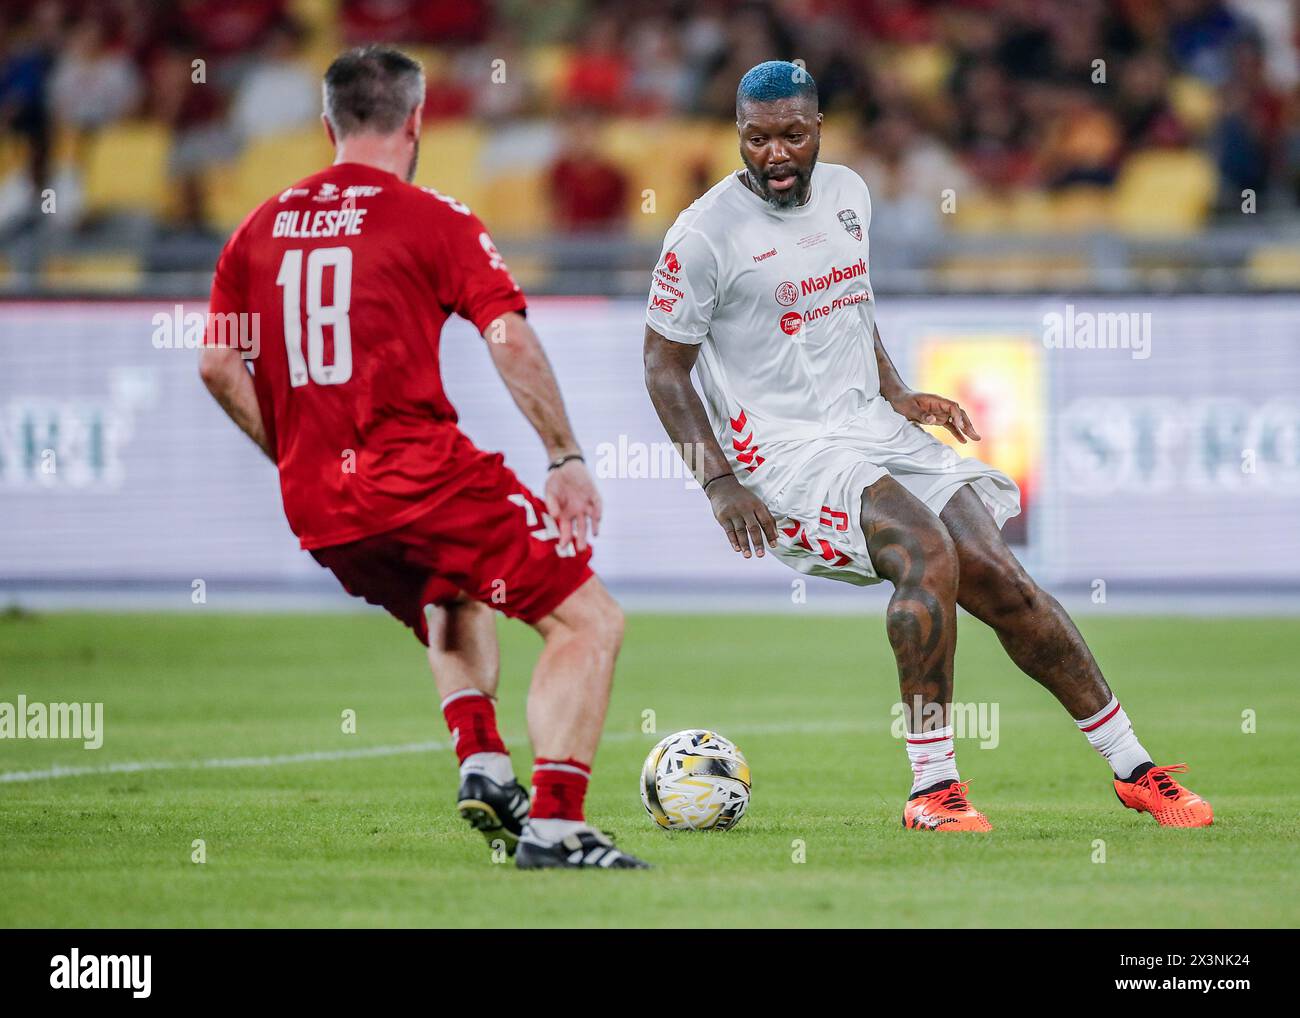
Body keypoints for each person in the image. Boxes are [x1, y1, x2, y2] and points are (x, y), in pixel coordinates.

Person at [643, 61, 1212, 832]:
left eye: (791, 135)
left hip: (869, 425)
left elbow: (850, 305)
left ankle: (1135, 768)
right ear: (737, 136)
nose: (774, 154)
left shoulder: (850, 195)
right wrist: (718, 483)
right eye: (756, 138)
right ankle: (932, 790)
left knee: (1004, 580)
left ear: (819, 131)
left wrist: (894, 392)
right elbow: (661, 365)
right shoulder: (703, 235)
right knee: (928, 553)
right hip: (787, 455)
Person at [200, 45, 648, 869]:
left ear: (327, 123)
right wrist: (564, 455)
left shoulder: (256, 228)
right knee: (589, 623)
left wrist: (294, 453)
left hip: (322, 507)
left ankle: (482, 762)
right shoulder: (434, 219)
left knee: (453, 597)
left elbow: (217, 364)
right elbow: (508, 339)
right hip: (418, 476)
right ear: (416, 120)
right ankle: (556, 826)